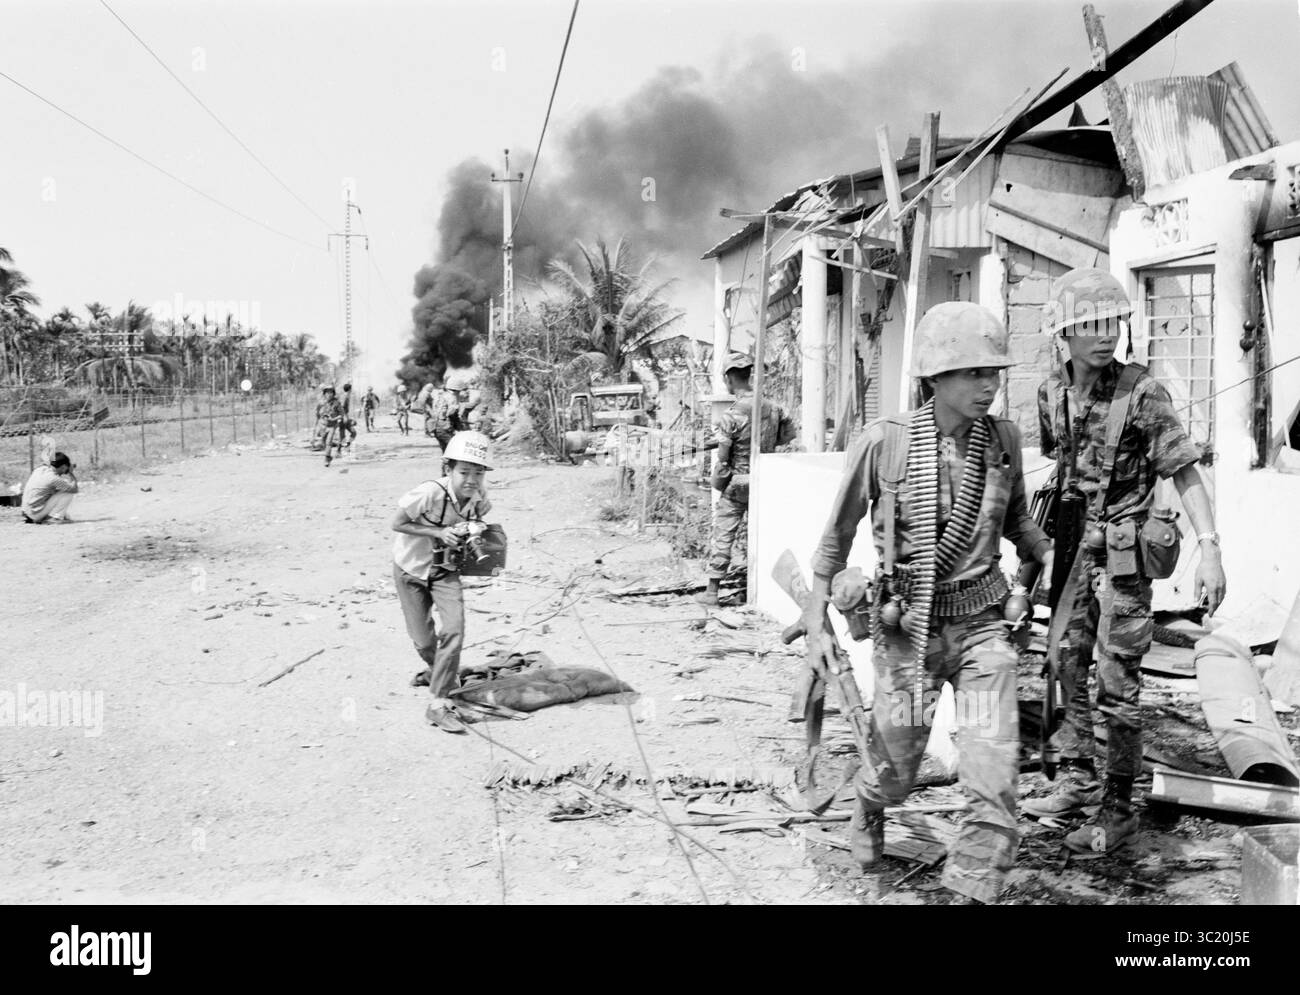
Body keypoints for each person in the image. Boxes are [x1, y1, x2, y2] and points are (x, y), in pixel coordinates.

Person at [804, 302, 1054, 905]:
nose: (988, 385)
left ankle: (971, 891)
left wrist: (1040, 561)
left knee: (994, 780)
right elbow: (835, 538)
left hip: (982, 631)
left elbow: (1019, 521)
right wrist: (817, 622)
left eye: (994, 373)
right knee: (895, 773)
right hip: (906, 632)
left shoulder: (1004, 441)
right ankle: (867, 807)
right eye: (973, 373)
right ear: (935, 377)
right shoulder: (884, 443)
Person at [1025, 267, 1226, 854]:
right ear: (1063, 331)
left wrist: (1210, 548)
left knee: (1119, 684)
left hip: (1122, 561)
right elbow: (1060, 472)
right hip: (1070, 553)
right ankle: (1076, 780)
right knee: (1064, 665)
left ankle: (1117, 813)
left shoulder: (1142, 392)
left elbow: (1184, 471)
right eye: (1089, 324)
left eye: (1112, 321)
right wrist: (1036, 561)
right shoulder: (1049, 393)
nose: (1104, 334)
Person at [390, 431, 495, 733]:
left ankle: (438, 701)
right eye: (464, 472)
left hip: (445, 569)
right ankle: (439, 669)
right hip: (410, 568)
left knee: (454, 628)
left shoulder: (478, 497)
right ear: (448, 469)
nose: (471, 480)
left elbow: (473, 526)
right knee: (423, 640)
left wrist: (478, 524)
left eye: (478, 473)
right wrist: (437, 533)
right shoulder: (428, 493)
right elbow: (397, 523)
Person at [696, 353, 796, 606]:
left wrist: (721, 476)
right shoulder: (775, 408)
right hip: (766, 481)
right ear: (748, 376)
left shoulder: (731, 415)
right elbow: (787, 437)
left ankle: (711, 592)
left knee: (724, 534)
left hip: (739, 483)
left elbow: (723, 456)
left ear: (729, 379)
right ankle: (764, 591)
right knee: (765, 535)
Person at [22, 451, 79, 523]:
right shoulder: (54, 478)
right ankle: (53, 519)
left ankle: (50, 516)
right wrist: (71, 473)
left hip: (27, 512)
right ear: (64, 467)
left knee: (60, 489)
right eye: (66, 468)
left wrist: (66, 467)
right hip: (34, 515)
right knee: (68, 493)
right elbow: (74, 489)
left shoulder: (40, 469)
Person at [339, 382, 358, 449]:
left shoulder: (345, 396)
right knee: (351, 432)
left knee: (346, 433)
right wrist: (345, 417)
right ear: (350, 389)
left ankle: (347, 446)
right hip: (343, 417)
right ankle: (343, 448)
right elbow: (342, 407)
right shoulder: (345, 397)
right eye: (351, 389)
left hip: (344, 417)